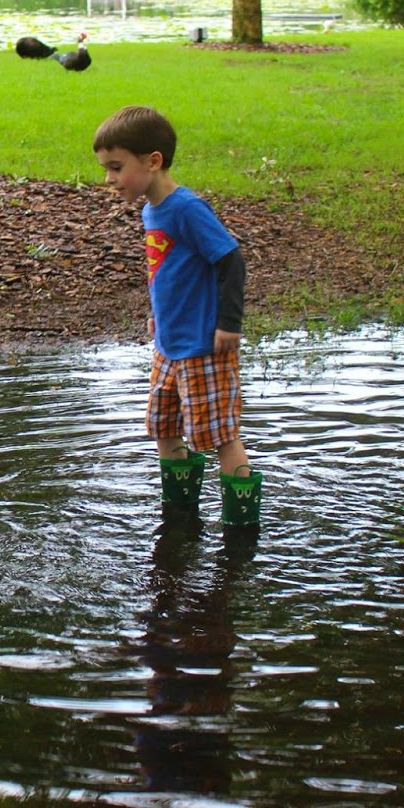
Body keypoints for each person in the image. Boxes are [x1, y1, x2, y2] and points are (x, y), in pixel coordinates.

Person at [94, 105, 262, 526]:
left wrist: (229, 324)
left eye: (116, 168)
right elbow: (169, 273)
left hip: (204, 344)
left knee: (220, 435)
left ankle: (240, 528)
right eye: (106, 169)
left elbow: (231, 260)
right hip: (168, 344)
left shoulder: (186, 208)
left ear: (153, 161)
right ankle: (181, 514)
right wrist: (158, 316)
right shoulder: (152, 209)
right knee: (163, 426)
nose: (109, 180)